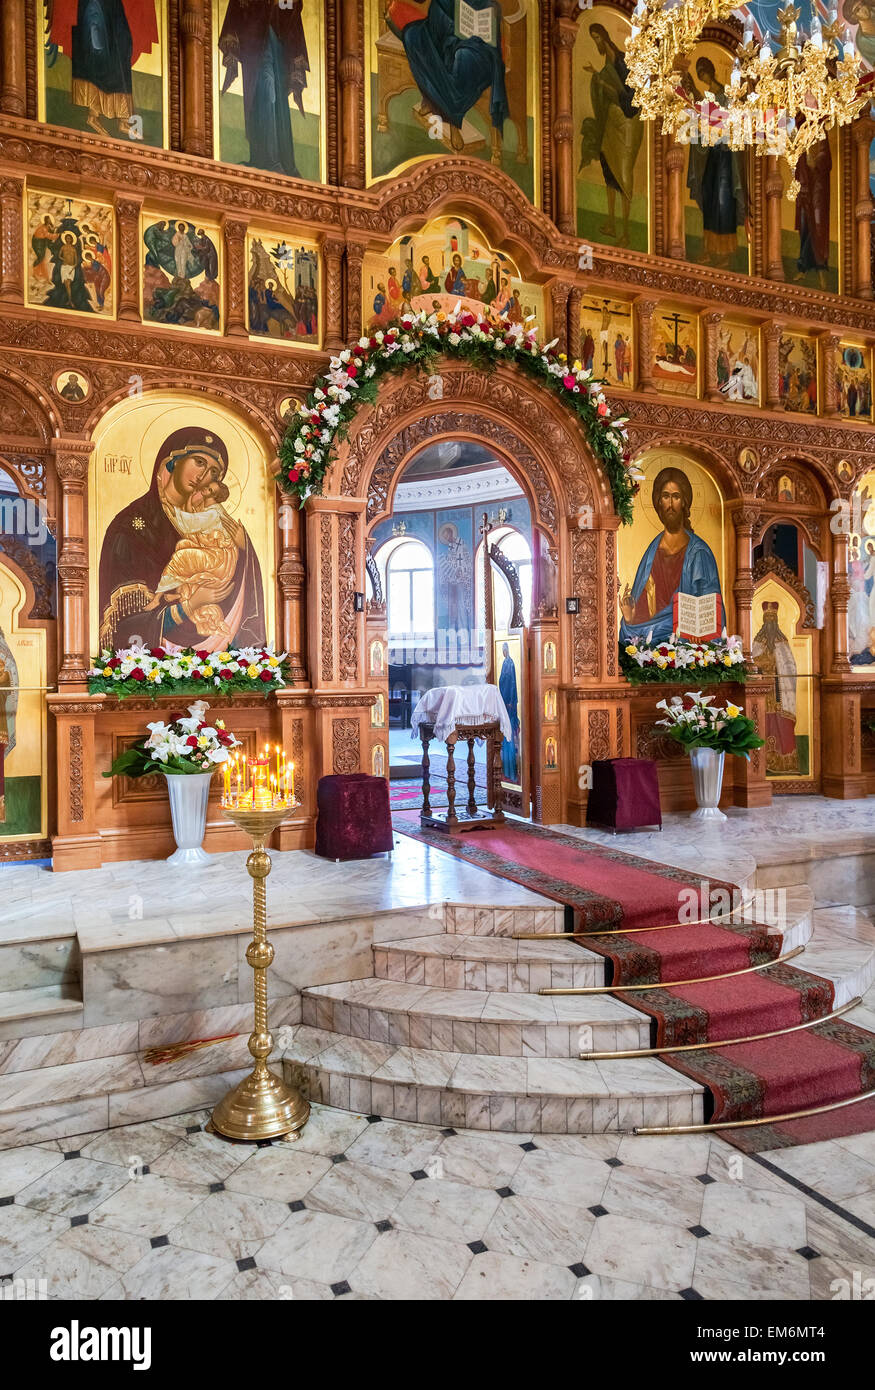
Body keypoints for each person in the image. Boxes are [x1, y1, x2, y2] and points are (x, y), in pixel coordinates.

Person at [98, 425, 266, 651]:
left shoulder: (215, 525)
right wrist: (189, 606)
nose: (204, 476)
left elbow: (240, 594)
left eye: (214, 473)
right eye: (199, 462)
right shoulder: (132, 525)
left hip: (217, 658)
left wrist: (244, 548)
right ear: (173, 460)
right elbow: (123, 626)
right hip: (150, 669)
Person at [385, 0, 508, 153]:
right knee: (414, 37)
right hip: (439, 29)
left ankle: (449, 117)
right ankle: (442, 112)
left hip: (474, 43)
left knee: (464, 61)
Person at [619, 466, 723, 644]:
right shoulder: (652, 553)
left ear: (684, 502)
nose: (670, 503)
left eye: (676, 496)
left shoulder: (699, 553)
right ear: (659, 502)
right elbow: (641, 613)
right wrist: (629, 619)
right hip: (650, 644)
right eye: (665, 496)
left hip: (688, 644)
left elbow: (710, 610)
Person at [218, 0, 309, 177]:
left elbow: (289, 8)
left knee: (279, 102)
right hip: (255, 47)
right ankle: (267, 158)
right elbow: (240, 8)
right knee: (266, 94)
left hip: (276, 44)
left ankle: (282, 160)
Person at [47, 0, 159, 137]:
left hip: (113, 7)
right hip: (94, 6)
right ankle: (93, 115)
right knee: (97, 51)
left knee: (122, 49)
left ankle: (123, 118)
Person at [579, 23, 643, 247]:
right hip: (610, 123)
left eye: (597, 37)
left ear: (604, 37)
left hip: (626, 125)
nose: (596, 43)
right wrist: (598, 79)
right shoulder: (607, 64)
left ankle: (626, 230)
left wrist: (601, 81)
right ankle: (611, 223)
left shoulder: (623, 62)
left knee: (624, 175)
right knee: (610, 172)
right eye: (593, 38)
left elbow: (628, 96)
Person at [683, 56, 747, 268]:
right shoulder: (707, 99)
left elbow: (731, 125)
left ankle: (727, 253)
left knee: (724, 202)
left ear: (711, 71)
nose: (704, 77)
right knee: (710, 199)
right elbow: (705, 123)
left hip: (726, 157)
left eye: (704, 73)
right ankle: (708, 250)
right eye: (700, 75)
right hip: (713, 155)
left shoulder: (727, 96)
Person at [752, 602, 799, 774]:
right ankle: (761, 763)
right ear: (763, 620)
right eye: (767, 617)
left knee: (781, 724)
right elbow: (751, 663)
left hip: (780, 692)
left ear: (777, 620)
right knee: (765, 722)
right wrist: (761, 663)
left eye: (773, 617)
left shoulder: (782, 641)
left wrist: (776, 666)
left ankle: (785, 763)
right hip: (763, 692)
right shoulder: (757, 642)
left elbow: (790, 666)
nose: (770, 621)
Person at [794, 138, 832, 288]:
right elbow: (797, 160)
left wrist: (815, 162)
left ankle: (821, 270)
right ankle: (803, 268)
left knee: (818, 228)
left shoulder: (821, 133)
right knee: (805, 226)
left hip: (818, 189)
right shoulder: (802, 133)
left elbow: (826, 158)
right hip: (805, 188)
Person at [498, 641, 519, 782]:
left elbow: (511, 684)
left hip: (509, 704)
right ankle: (506, 770)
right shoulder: (506, 663)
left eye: (503, 649)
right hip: (504, 702)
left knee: (509, 736)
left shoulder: (509, 663)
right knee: (505, 737)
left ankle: (511, 771)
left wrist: (510, 701)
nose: (502, 652)